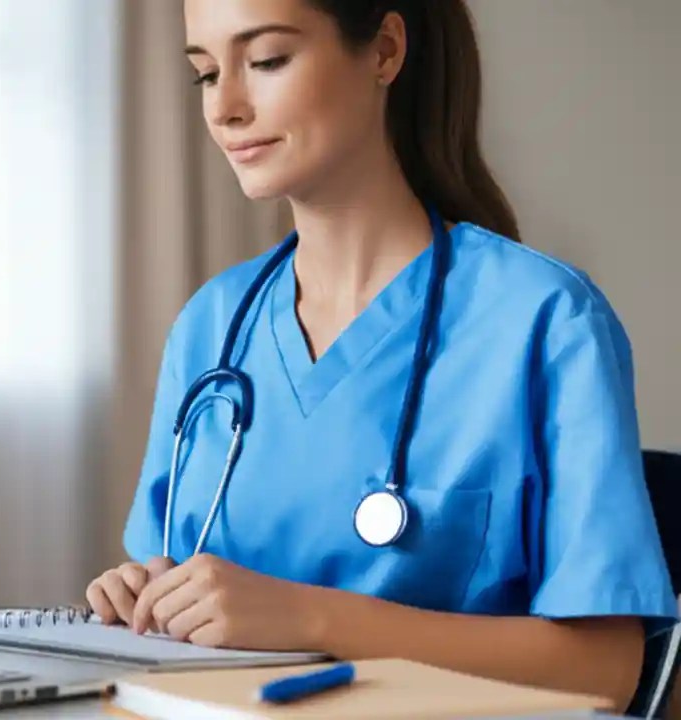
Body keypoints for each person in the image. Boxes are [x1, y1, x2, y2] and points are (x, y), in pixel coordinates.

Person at [85, 0, 676, 711]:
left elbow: (605, 670)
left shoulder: (544, 320)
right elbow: (178, 581)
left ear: (385, 52)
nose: (227, 109)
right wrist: (145, 597)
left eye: (267, 60)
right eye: (206, 75)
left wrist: (311, 618)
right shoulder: (212, 326)